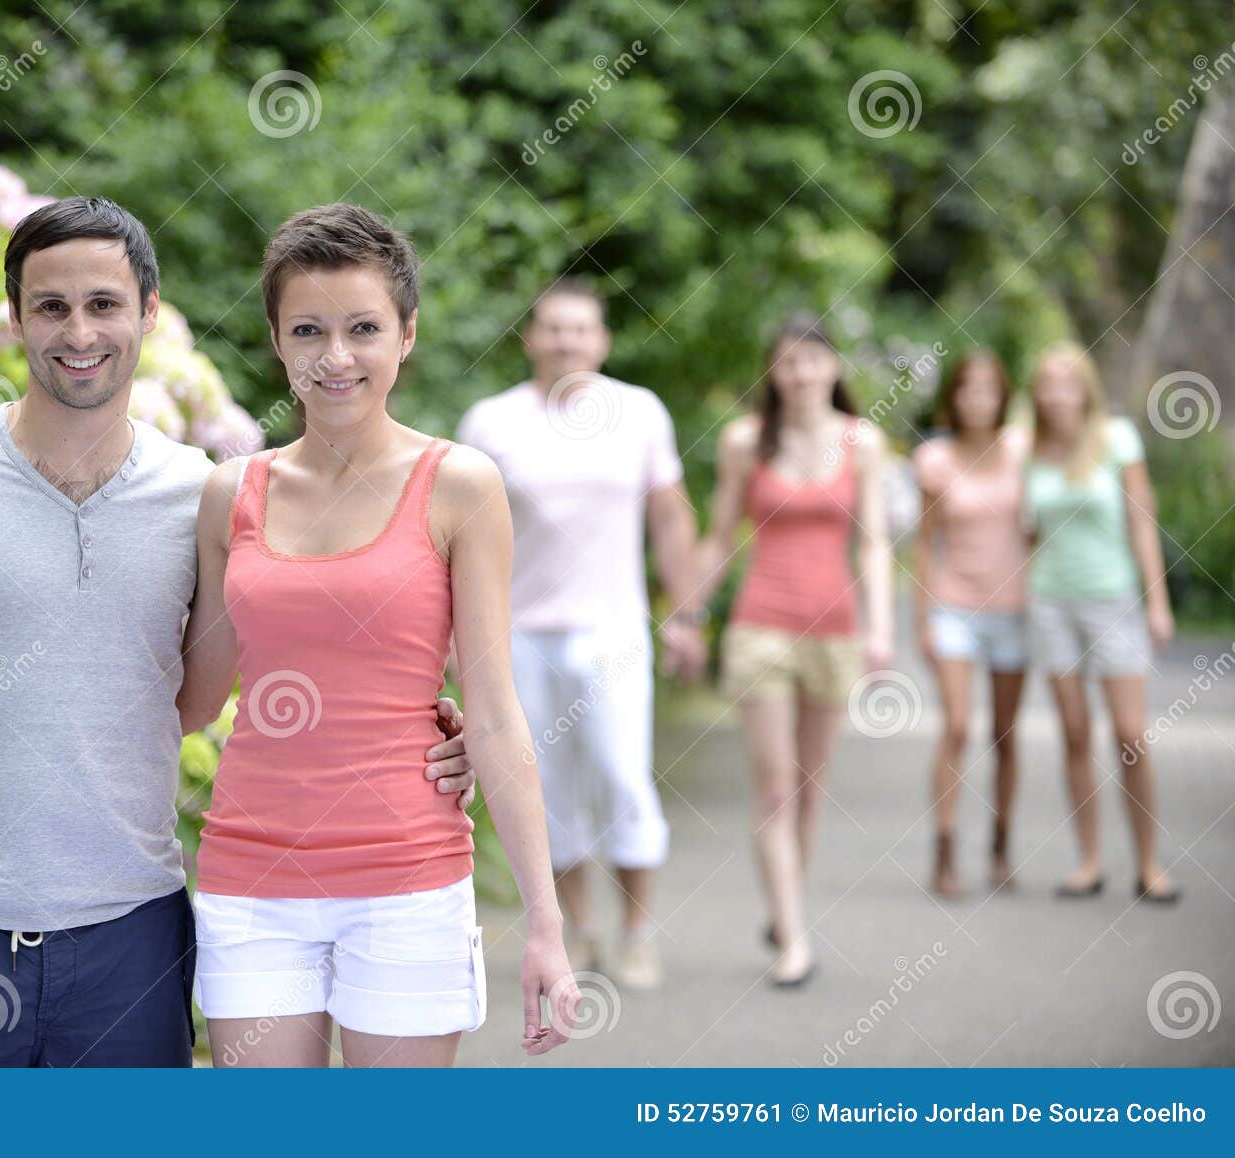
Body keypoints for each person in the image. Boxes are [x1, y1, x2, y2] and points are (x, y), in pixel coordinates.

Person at [0, 196, 477, 1066]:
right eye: (52, 306)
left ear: (149, 312)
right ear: (15, 317)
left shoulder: (203, 494)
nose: (79, 332)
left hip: (134, 939)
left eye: (104, 304)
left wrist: (425, 729)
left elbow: (223, 681)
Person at [177, 202, 578, 1067]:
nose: (335, 357)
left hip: (407, 880)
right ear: (276, 342)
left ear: (407, 334)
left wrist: (545, 924)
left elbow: (495, 711)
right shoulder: (229, 493)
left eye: (363, 328)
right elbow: (193, 698)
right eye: (307, 331)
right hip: (252, 879)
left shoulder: (461, 486)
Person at [454, 277, 705, 989]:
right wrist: (456, 637)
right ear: (531, 338)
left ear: (602, 341)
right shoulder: (491, 422)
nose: (567, 340)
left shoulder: (638, 412)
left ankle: (638, 932)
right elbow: (458, 534)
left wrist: (686, 615)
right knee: (545, 788)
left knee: (623, 777)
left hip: (612, 630)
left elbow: (670, 517)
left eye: (581, 328)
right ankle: (580, 931)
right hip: (519, 636)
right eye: (554, 327)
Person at [691, 313, 892, 987]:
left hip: (835, 632)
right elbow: (721, 535)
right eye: (787, 361)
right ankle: (794, 938)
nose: (801, 372)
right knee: (776, 786)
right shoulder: (747, 442)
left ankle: (787, 910)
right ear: (773, 373)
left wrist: (881, 629)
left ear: (833, 366)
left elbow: (874, 542)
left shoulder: (864, 442)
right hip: (761, 629)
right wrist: (687, 614)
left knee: (810, 788)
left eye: (812, 359)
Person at [1023, 342, 1179, 903]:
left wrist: (1158, 602)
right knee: (1074, 733)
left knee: (1130, 735)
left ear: (1086, 387)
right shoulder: (1030, 449)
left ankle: (1149, 863)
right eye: (1047, 383)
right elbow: (1027, 533)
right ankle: (1089, 860)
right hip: (1051, 604)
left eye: (1067, 382)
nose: (1057, 394)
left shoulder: (1116, 439)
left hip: (1112, 600)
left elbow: (1141, 522)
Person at [911, 351, 1029, 897]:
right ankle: (944, 855)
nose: (977, 399)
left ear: (1002, 395)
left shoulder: (1021, 450)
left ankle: (1000, 850)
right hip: (953, 607)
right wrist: (921, 621)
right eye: (967, 388)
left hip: (1014, 611)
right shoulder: (935, 458)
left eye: (988, 388)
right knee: (957, 727)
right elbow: (924, 542)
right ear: (953, 396)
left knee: (1005, 734)